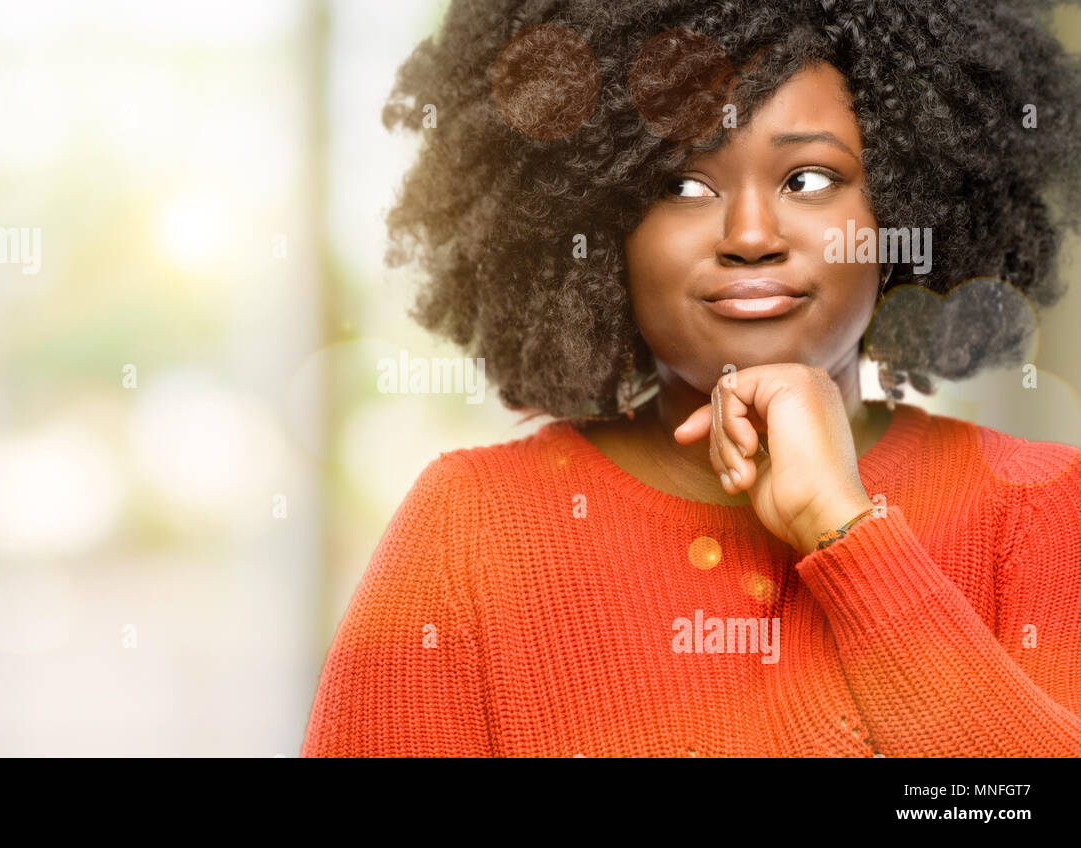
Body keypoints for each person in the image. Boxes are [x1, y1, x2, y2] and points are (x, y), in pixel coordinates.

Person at [301, 0, 1081, 756]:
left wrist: (846, 532)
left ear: (908, 205)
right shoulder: (468, 531)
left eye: (808, 179)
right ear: (599, 225)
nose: (749, 236)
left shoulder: (1038, 508)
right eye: (681, 185)